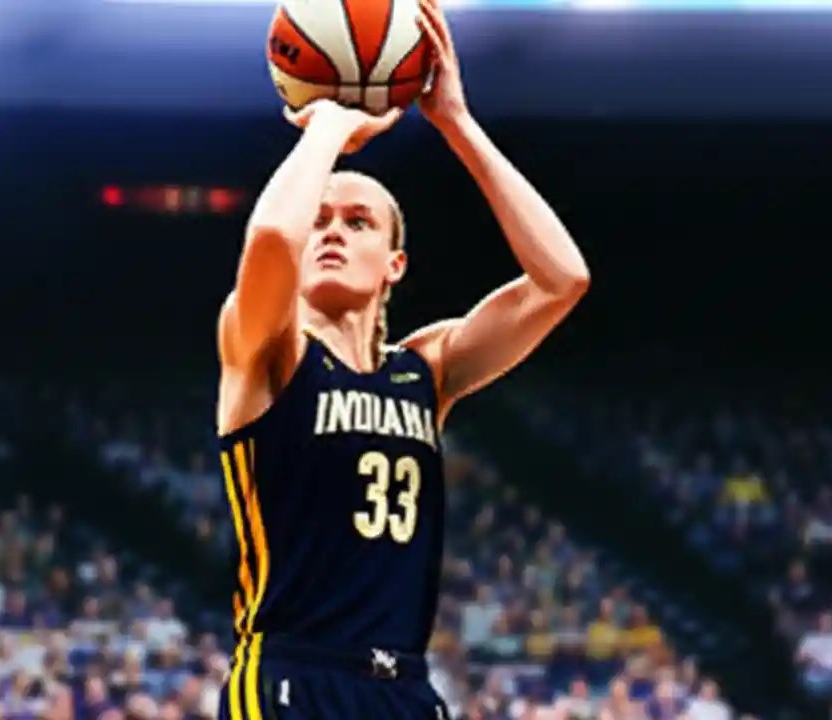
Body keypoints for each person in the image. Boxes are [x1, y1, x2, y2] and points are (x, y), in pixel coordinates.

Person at [214, 1, 590, 718]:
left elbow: (562, 280)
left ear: (395, 264)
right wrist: (329, 126)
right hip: (292, 672)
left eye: (357, 222)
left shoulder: (426, 369)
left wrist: (457, 123)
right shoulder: (263, 348)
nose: (331, 231)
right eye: (319, 219)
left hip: (405, 686)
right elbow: (270, 241)